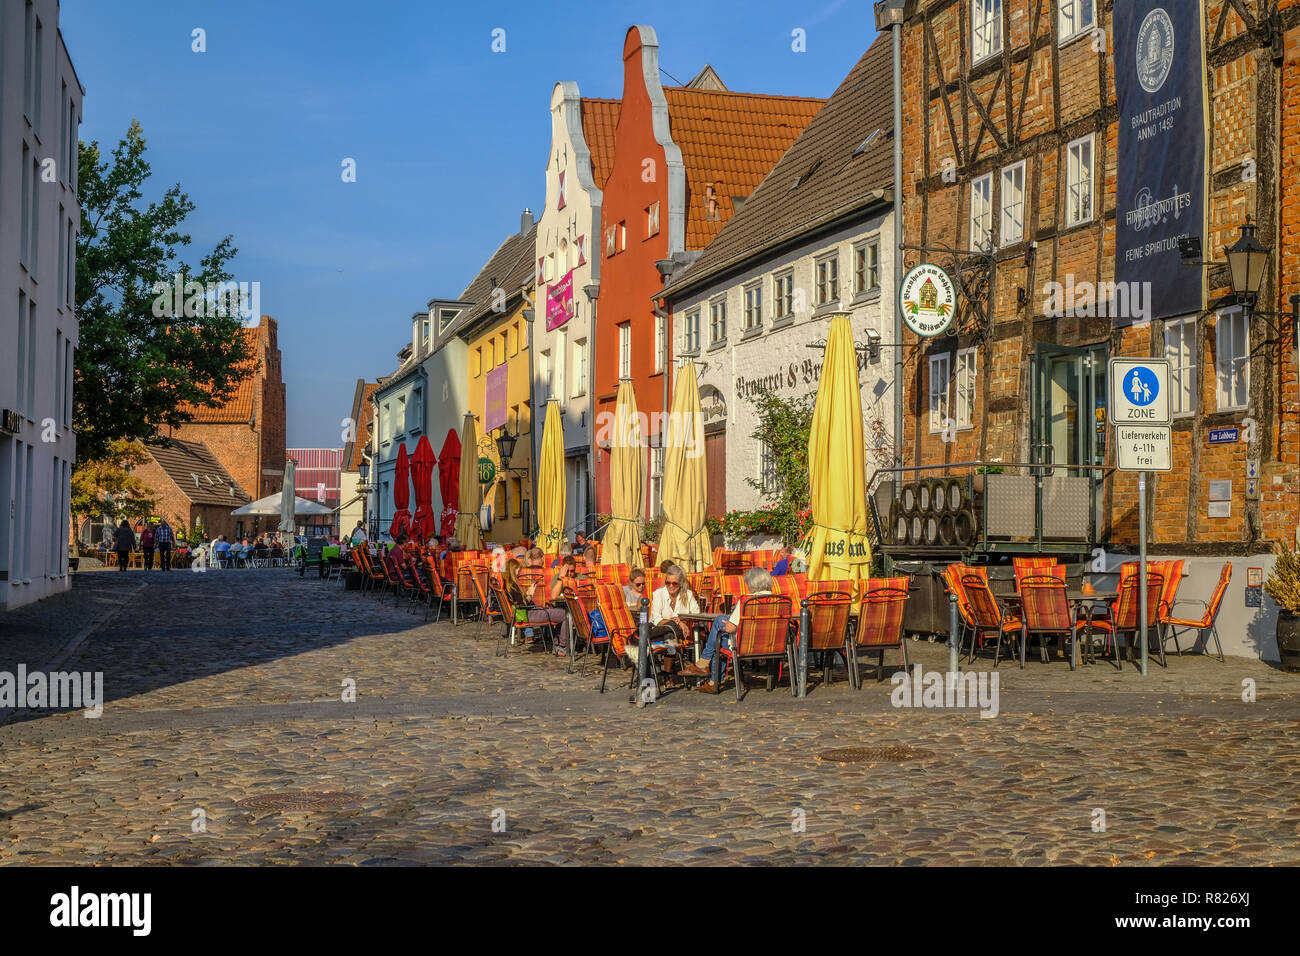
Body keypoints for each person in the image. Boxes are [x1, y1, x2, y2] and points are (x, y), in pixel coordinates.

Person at [682, 566, 774, 690]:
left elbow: (730, 628)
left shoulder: (748, 601)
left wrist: (727, 622)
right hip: (771, 645)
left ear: (753, 584)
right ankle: (707, 671)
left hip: (746, 646)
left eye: (748, 584)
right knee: (719, 627)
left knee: (719, 630)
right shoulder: (780, 600)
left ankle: (707, 670)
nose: (748, 587)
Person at [505, 558, 569, 657]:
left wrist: (528, 593)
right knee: (566, 614)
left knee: (558, 613)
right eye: (518, 569)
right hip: (529, 614)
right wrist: (530, 594)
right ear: (513, 570)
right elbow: (522, 605)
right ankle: (562, 645)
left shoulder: (508, 586)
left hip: (528, 613)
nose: (520, 572)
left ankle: (557, 643)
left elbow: (520, 602)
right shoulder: (513, 586)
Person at [649, 564, 699, 647]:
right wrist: (678, 623)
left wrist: (684, 621)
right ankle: (678, 658)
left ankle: (671, 658)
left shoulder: (688, 594)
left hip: (674, 636)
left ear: (681, 583)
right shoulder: (658, 594)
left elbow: (696, 614)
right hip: (656, 634)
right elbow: (657, 620)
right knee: (671, 628)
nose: (670, 586)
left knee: (670, 634)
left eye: (674, 583)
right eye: (668, 583)